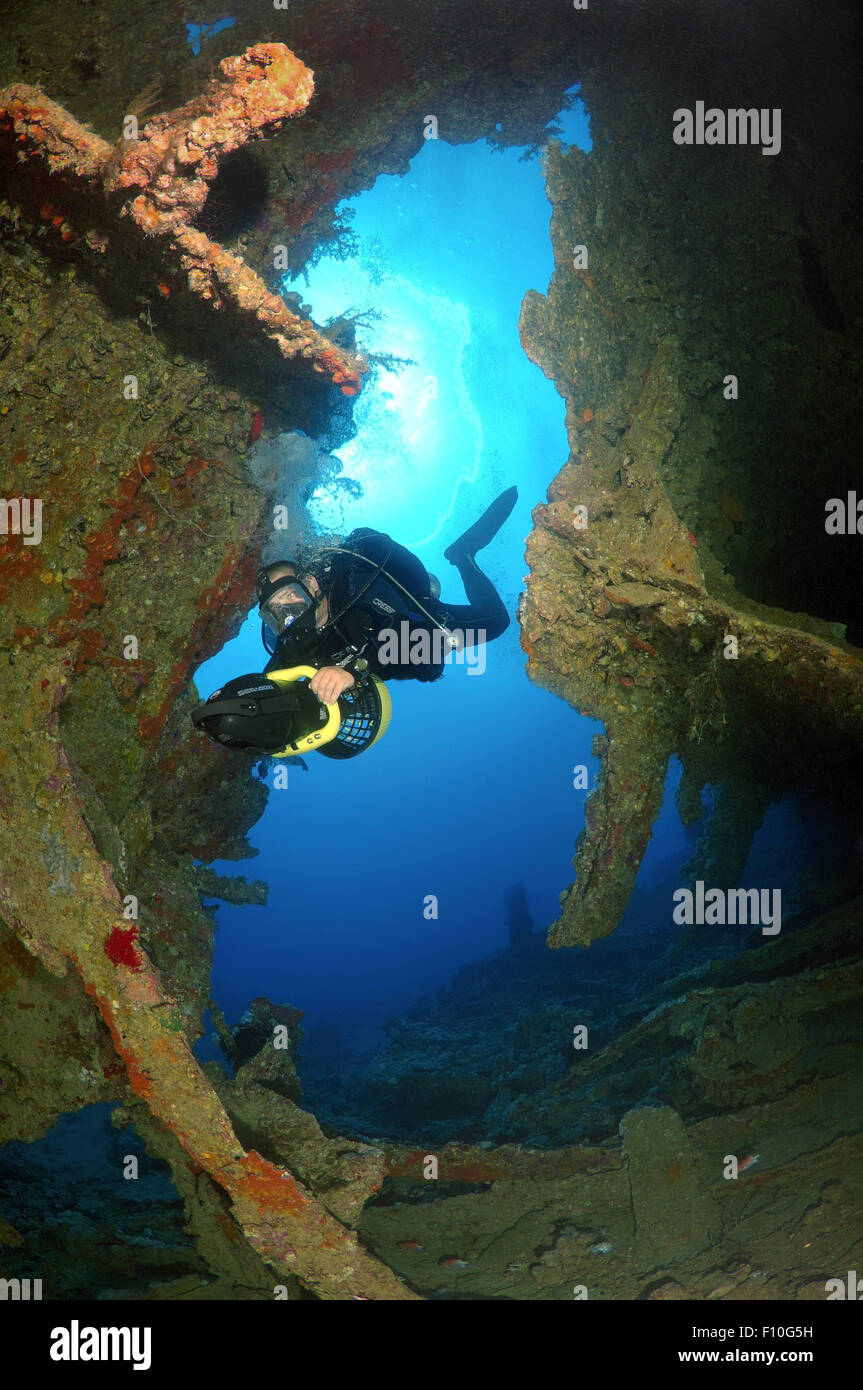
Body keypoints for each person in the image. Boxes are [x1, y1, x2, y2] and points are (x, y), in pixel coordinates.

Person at [256, 486, 518, 703]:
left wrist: (354, 670)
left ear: (311, 583)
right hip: (386, 651)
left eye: (289, 595)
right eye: (273, 609)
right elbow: (268, 684)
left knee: (496, 621)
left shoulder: (353, 587)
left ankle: (463, 554)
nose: (285, 611)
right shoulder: (288, 640)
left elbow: (405, 633)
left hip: (411, 610)